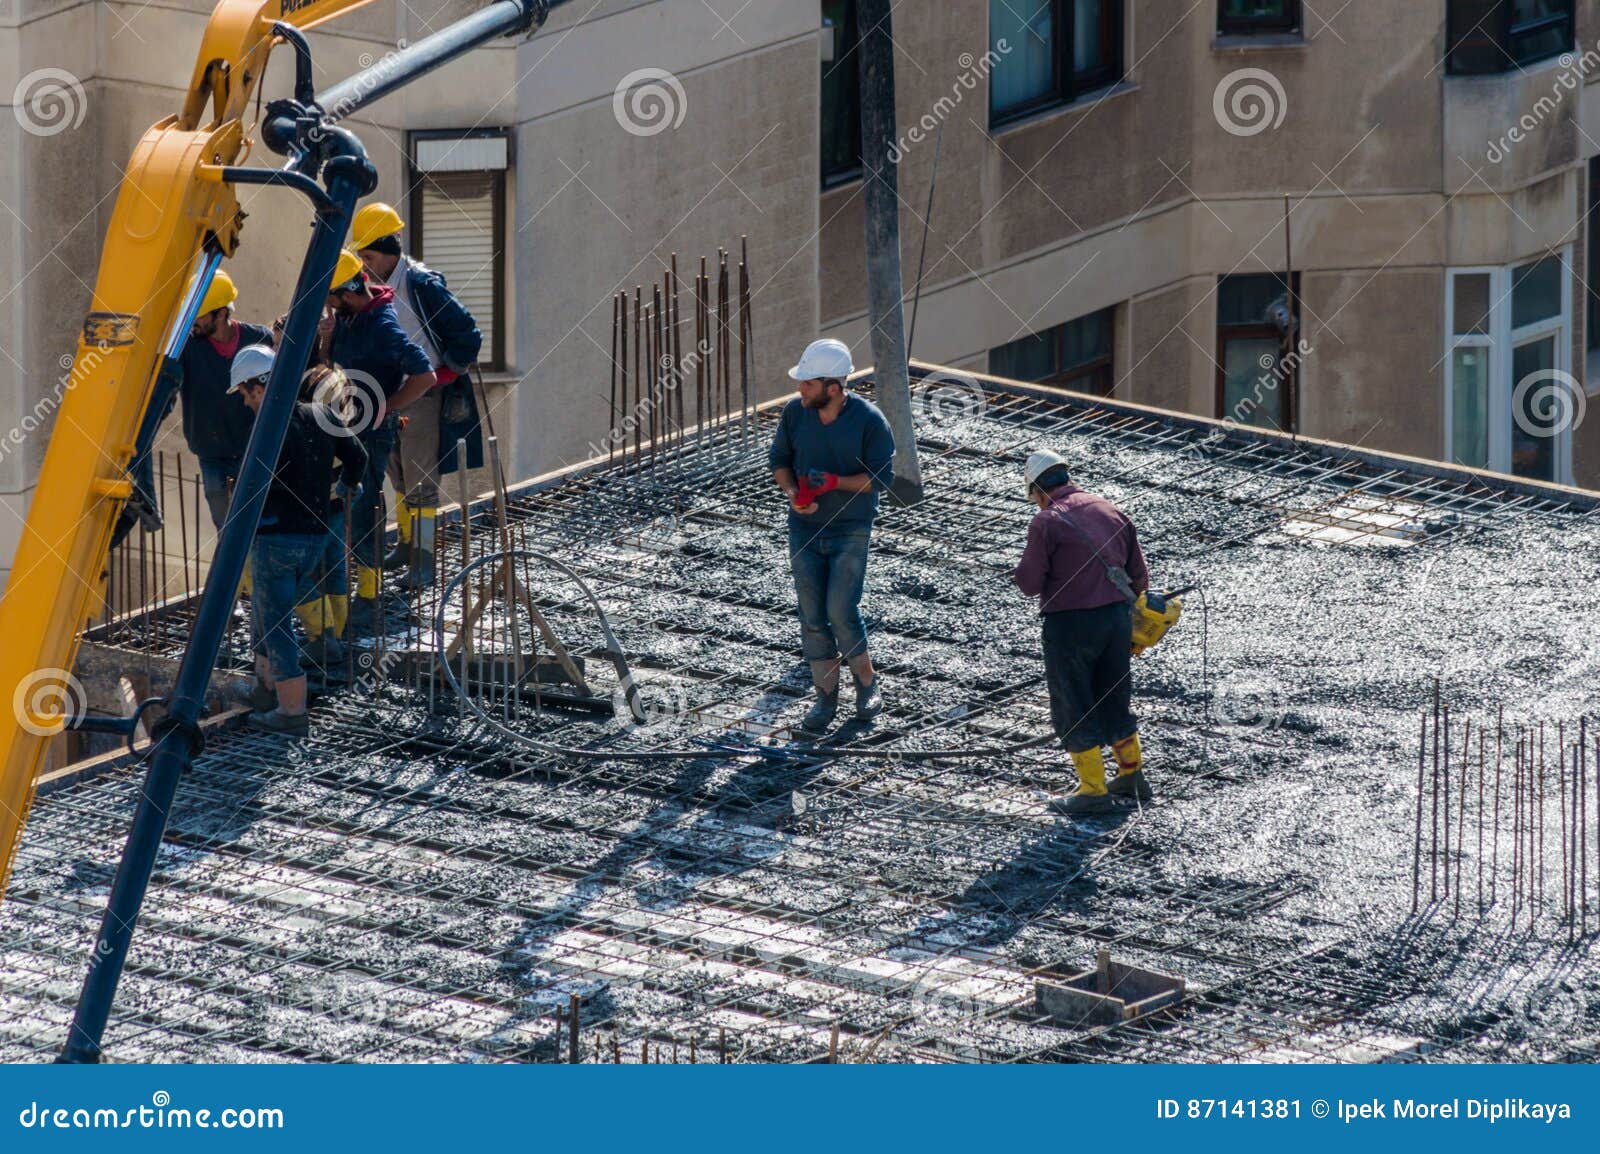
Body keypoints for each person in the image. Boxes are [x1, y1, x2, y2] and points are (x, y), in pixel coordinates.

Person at [227, 345, 367, 734]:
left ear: (259, 386)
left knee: (275, 622)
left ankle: (291, 710)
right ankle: (265, 687)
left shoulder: (267, 429)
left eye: (244, 392)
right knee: (264, 608)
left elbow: (250, 490)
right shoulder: (321, 414)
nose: (243, 401)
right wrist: (344, 487)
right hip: (316, 534)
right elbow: (358, 457)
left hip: (277, 538)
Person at [349, 202, 484, 590]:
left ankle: (425, 562)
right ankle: (408, 546)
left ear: (390, 252)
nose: (365, 264)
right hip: (388, 391)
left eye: (369, 256)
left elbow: (468, 335)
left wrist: (445, 374)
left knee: (421, 475)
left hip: (422, 392)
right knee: (398, 471)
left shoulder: (422, 284)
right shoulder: (371, 284)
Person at [1013, 449, 1151, 815]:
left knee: (1073, 702)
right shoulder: (1111, 509)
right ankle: (1132, 774)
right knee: (1114, 697)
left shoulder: (1046, 522)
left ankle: (1092, 789)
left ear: (1038, 491)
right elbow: (1139, 576)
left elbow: (1028, 584)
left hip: (1070, 626)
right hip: (1116, 621)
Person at [768, 338, 895, 735]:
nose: (799, 389)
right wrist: (794, 496)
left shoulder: (870, 422)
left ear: (833, 388)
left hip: (850, 530)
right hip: (804, 529)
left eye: (807, 383)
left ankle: (867, 685)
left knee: (841, 609)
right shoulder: (795, 414)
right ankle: (825, 700)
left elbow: (881, 479)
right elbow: (780, 462)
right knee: (812, 616)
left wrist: (835, 482)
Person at [322, 249, 436, 632]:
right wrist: (326, 339)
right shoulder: (350, 317)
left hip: (372, 430)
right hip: (349, 421)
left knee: (364, 503)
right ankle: (359, 582)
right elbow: (333, 359)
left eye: (332, 298)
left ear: (350, 291)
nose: (329, 306)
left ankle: (368, 595)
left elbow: (425, 376)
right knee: (347, 502)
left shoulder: (383, 328)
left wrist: (387, 407)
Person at [178, 269, 274, 531]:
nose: (191, 321)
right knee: (226, 527)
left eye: (198, 314)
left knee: (260, 523)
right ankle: (237, 573)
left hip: (253, 450)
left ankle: (255, 570)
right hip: (210, 452)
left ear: (221, 313)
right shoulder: (186, 347)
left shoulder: (261, 339)